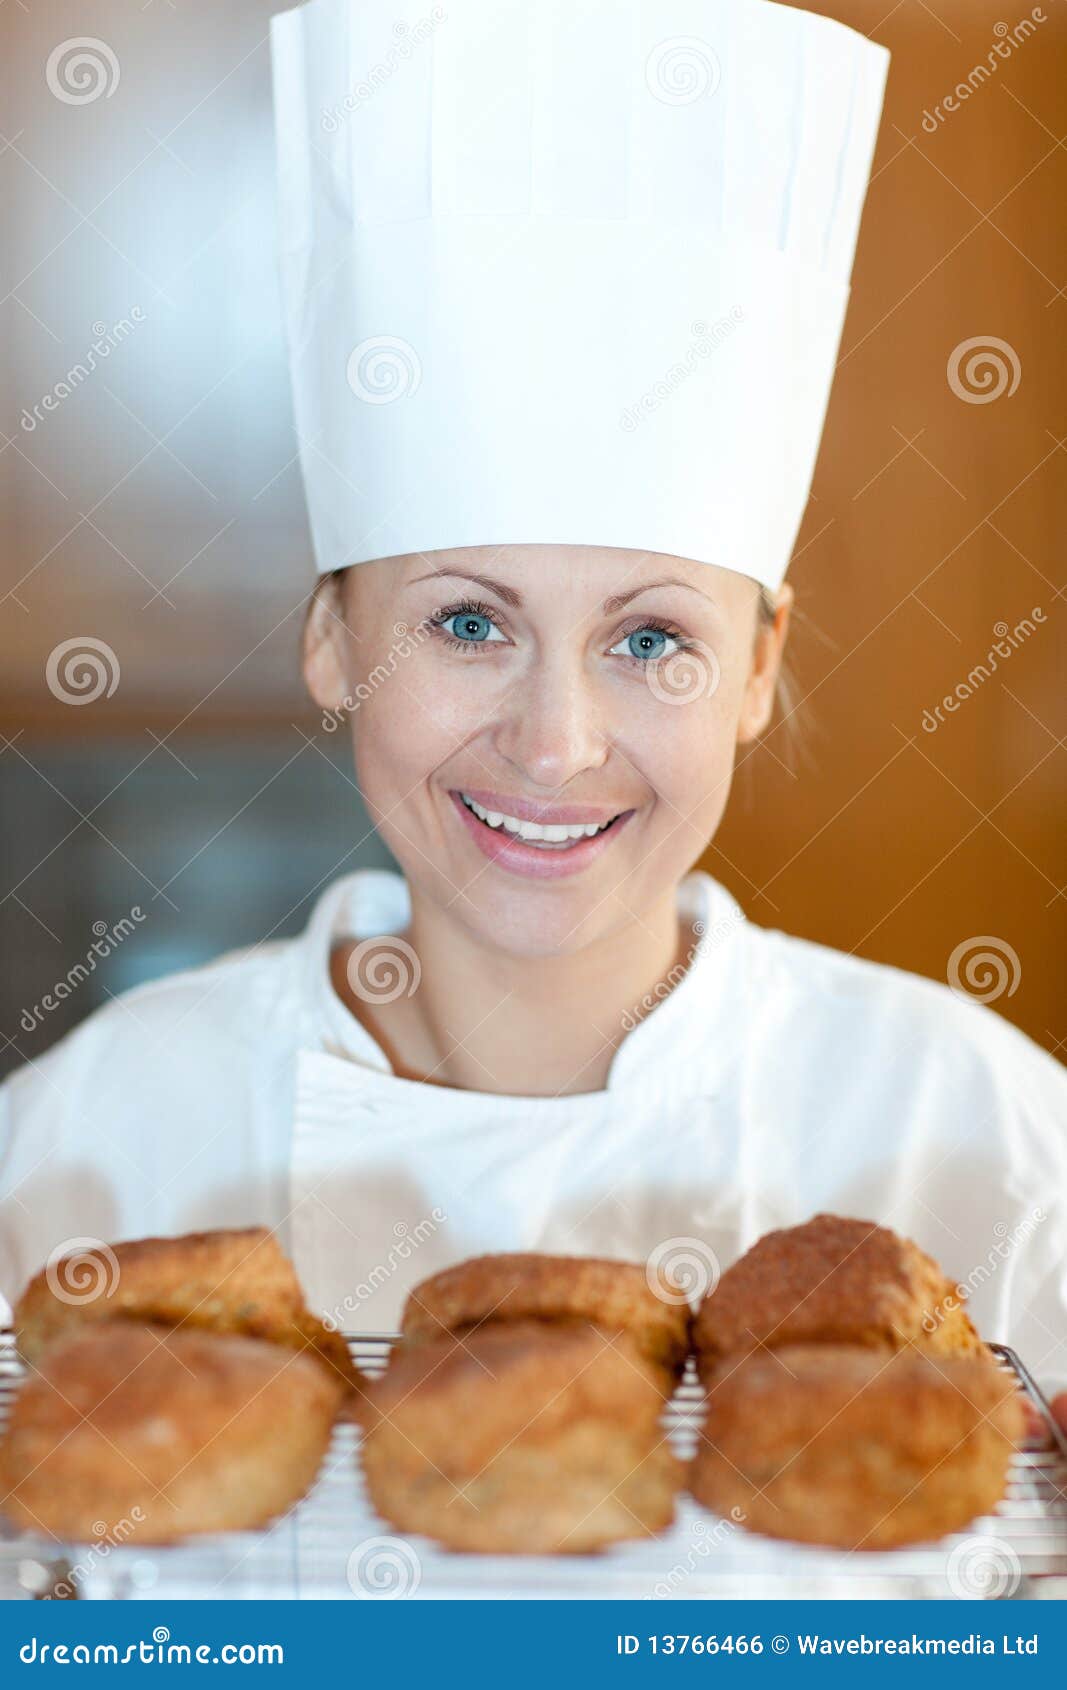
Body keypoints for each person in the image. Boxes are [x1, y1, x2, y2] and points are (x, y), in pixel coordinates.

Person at [1, 0, 1064, 1432]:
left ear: (758, 667)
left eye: (651, 638)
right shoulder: (89, 1140)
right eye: (467, 623)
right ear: (330, 640)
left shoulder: (991, 1138)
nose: (557, 740)